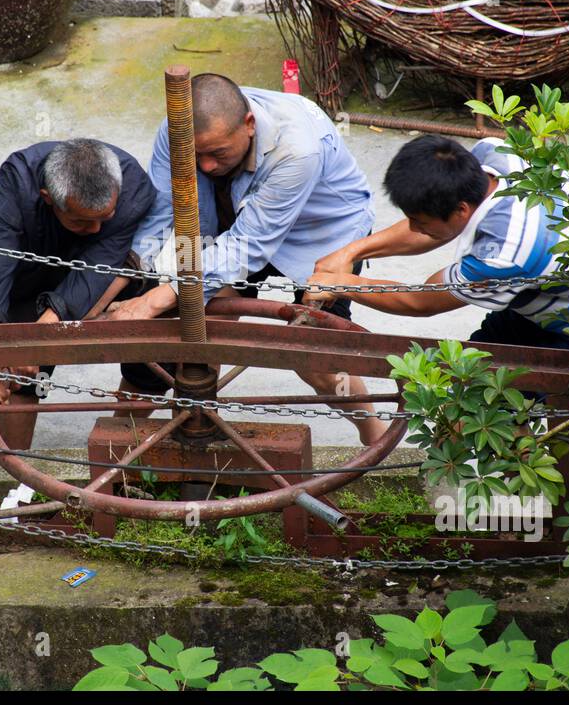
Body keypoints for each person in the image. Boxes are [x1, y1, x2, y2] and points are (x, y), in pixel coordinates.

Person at [106, 72, 386, 445]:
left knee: (314, 356)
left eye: (218, 154)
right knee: (194, 323)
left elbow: (248, 246)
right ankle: (122, 437)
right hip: (235, 226)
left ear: (249, 125)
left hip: (323, 236)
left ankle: (375, 435)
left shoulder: (297, 149)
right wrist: (132, 281)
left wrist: (158, 296)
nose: (205, 167)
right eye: (196, 155)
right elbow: (164, 213)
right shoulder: (178, 126)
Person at [303, 134, 569, 349]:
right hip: (543, 300)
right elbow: (430, 228)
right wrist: (351, 252)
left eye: (421, 221)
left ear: (461, 210)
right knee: (474, 396)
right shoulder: (496, 153)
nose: (414, 228)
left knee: (487, 413)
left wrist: (344, 284)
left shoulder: (502, 256)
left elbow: (421, 301)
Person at [0, 138, 157, 448]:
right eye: (82, 220)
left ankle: (122, 448)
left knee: (154, 345)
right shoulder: (16, 183)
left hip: (108, 272)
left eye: (103, 218)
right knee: (21, 374)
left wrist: (40, 338)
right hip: (30, 269)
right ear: (47, 198)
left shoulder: (132, 185)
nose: (95, 228)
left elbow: (98, 265)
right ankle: (14, 472)